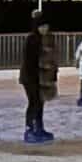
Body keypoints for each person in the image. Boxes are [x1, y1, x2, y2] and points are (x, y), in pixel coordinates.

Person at [19, 11, 59, 144]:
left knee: (40, 103)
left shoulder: (46, 39)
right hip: (30, 77)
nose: (45, 29)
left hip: (41, 77)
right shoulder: (32, 39)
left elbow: (51, 59)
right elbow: (29, 61)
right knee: (34, 103)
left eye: (46, 26)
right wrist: (35, 77)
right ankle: (29, 130)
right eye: (42, 26)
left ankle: (39, 128)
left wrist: (51, 74)